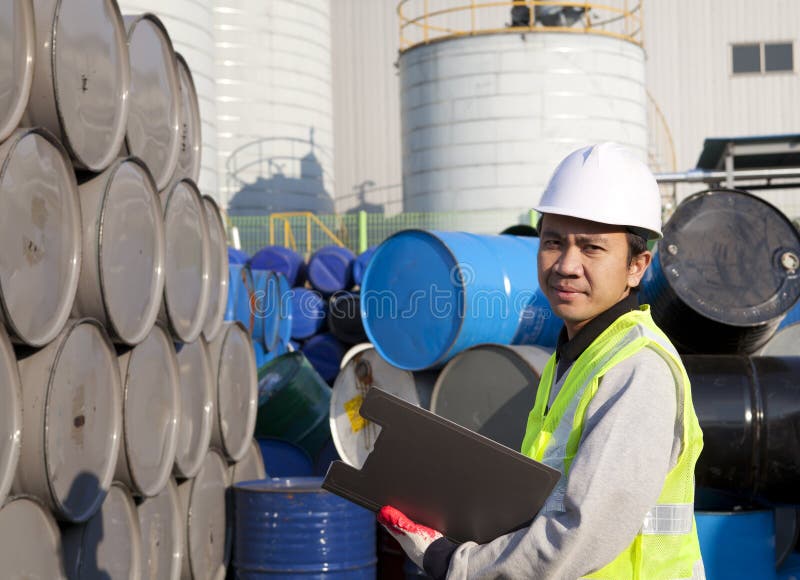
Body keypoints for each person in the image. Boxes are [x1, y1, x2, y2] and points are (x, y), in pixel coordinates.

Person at [378, 142, 706, 579]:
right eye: (553, 242)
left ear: (637, 266)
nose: (566, 265)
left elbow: (579, 532)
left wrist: (458, 564)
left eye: (591, 248)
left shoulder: (636, 369)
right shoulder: (575, 355)